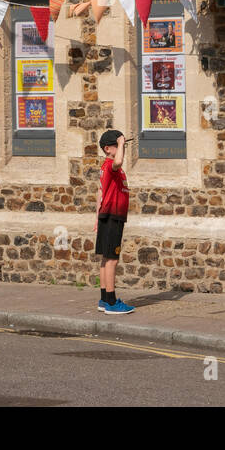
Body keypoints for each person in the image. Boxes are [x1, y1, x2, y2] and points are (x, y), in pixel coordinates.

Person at [95, 129, 134, 314]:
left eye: (123, 147)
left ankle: (104, 299)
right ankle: (111, 301)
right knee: (112, 260)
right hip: (113, 216)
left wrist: (97, 218)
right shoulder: (111, 164)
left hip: (106, 215)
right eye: (119, 146)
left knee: (105, 258)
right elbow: (118, 160)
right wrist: (120, 143)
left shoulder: (107, 166)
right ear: (108, 148)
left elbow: (100, 193)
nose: (122, 150)